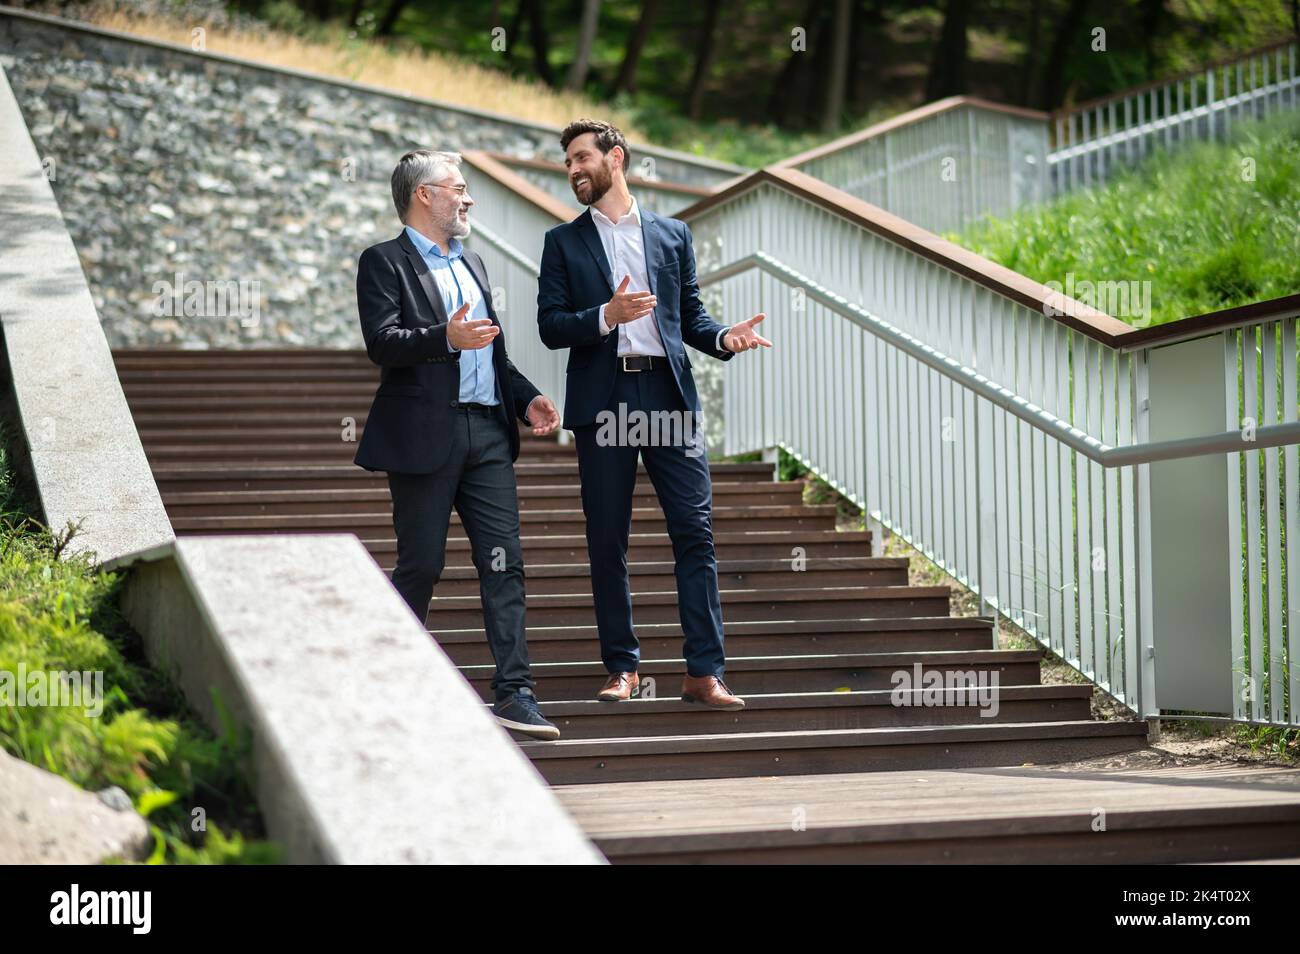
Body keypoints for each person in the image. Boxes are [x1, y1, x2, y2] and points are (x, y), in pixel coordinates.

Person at [537, 119, 772, 710]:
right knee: (607, 538)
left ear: (615, 159)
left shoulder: (671, 235)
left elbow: (689, 317)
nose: (572, 170)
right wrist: (606, 315)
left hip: (667, 398)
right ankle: (622, 668)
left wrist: (724, 338)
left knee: (695, 532)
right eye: (567, 162)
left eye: (581, 158)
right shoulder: (561, 244)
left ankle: (705, 672)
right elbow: (549, 326)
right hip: (605, 402)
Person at [354, 149, 563, 740]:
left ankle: (516, 695)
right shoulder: (383, 261)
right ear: (425, 195)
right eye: (458, 187)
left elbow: (491, 350)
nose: (467, 198)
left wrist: (524, 398)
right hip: (425, 437)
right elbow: (383, 343)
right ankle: (390, 679)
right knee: (422, 564)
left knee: (506, 564)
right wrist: (443, 337)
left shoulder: (471, 259)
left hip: (489, 434)